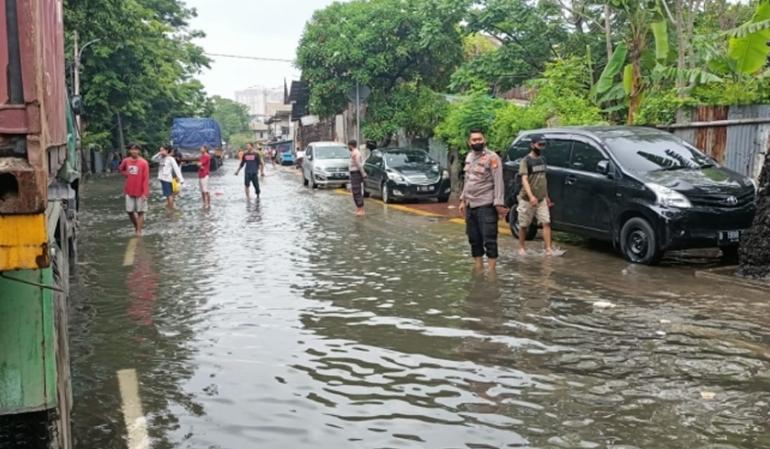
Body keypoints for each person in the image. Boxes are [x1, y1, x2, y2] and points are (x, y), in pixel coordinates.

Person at [458, 129, 507, 272]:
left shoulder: (493, 158)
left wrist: (498, 203)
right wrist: (462, 200)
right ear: (469, 142)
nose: (477, 142)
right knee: (474, 239)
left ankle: (492, 272)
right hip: (470, 205)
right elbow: (467, 180)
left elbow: (499, 182)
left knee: (489, 239)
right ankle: (478, 268)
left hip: (486, 205)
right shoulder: (469, 157)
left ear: (484, 140)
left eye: (479, 139)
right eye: (474, 140)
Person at [517, 134, 554, 256]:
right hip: (527, 198)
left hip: (541, 198)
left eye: (543, 145)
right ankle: (521, 247)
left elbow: (544, 179)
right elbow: (524, 180)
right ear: (532, 145)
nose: (541, 147)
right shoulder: (525, 161)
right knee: (524, 224)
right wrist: (531, 196)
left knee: (546, 222)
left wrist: (547, 196)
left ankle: (548, 248)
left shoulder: (543, 159)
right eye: (539, 144)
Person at [119, 144, 150, 236]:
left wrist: (145, 193)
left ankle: (138, 231)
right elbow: (120, 169)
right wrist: (126, 174)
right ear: (129, 151)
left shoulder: (143, 163)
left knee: (141, 211)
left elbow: (146, 178)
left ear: (139, 151)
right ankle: (137, 226)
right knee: (129, 211)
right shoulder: (126, 161)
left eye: (136, 150)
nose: (134, 151)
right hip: (129, 190)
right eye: (132, 150)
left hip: (140, 191)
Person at [152, 144, 184, 209]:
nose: (161, 151)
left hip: (167, 179)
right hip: (162, 179)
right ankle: (169, 207)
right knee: (168, 195)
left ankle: (170, 209)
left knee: (169, 195)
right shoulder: (160, 158)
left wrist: (181, 179)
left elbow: (176, 169)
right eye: (160, 150)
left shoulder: (171, 159)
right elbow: (153, 159)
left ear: (167, 151)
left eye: (163, 150)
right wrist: (159, 153)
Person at [348, 139, 366, 217]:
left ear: (350, 145)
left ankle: (361, 208)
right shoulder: (353, 152)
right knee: (355, 191)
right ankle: (359, 208)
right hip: (353, 173)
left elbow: (359, 164)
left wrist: (363, 173)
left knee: (357, 190)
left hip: (356, 173)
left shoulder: (356, 153)